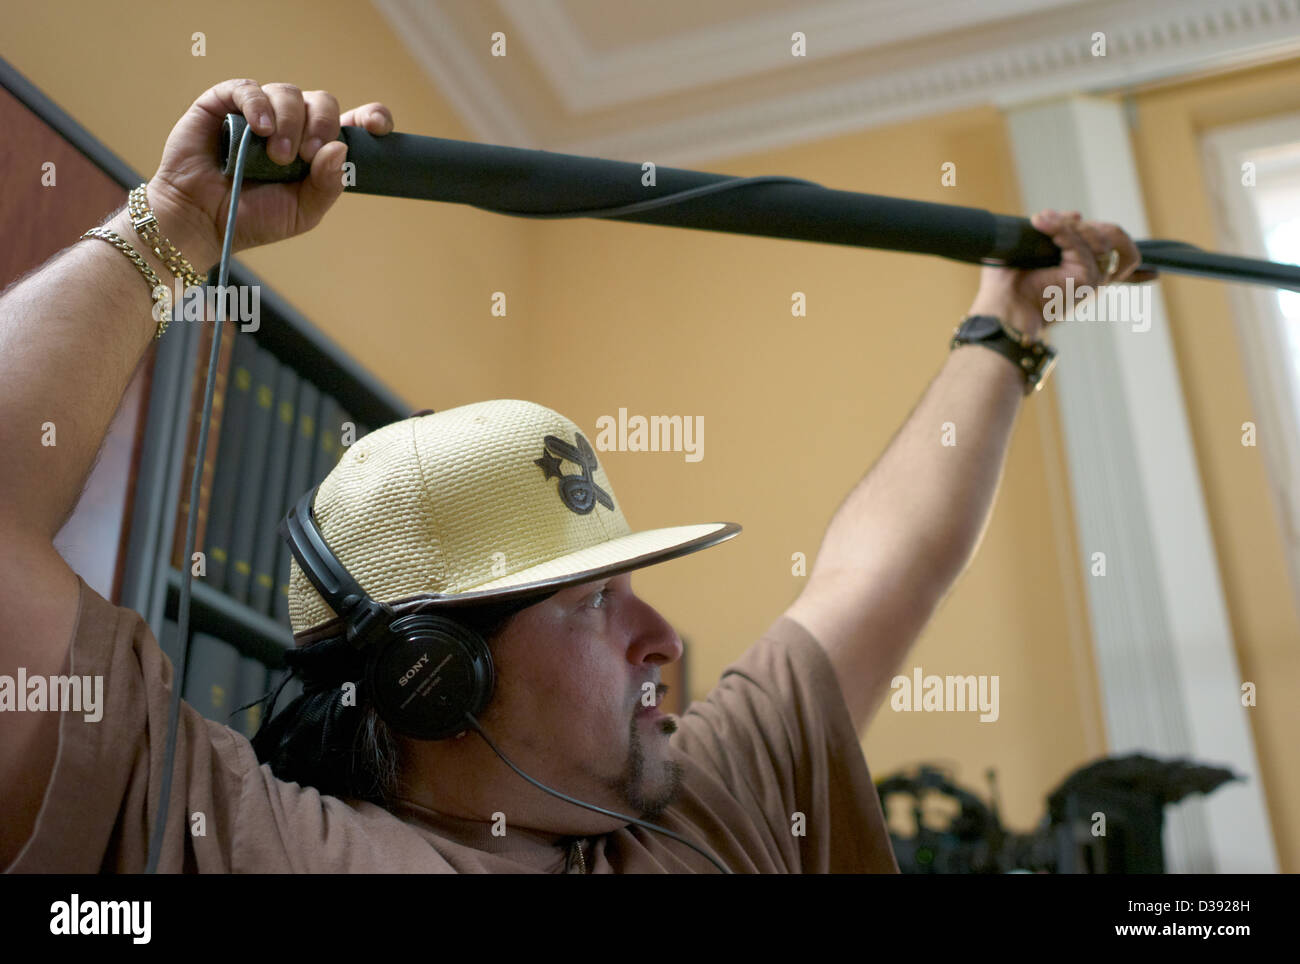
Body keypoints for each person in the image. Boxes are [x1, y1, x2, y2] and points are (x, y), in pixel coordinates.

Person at [0, 80, 1153, 873]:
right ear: (428, 673)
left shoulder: (707, 799)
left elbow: (882, 570)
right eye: (594, 600)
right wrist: (179, 224)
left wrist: (1007, 327)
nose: (663, 635)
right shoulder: (228, 835)